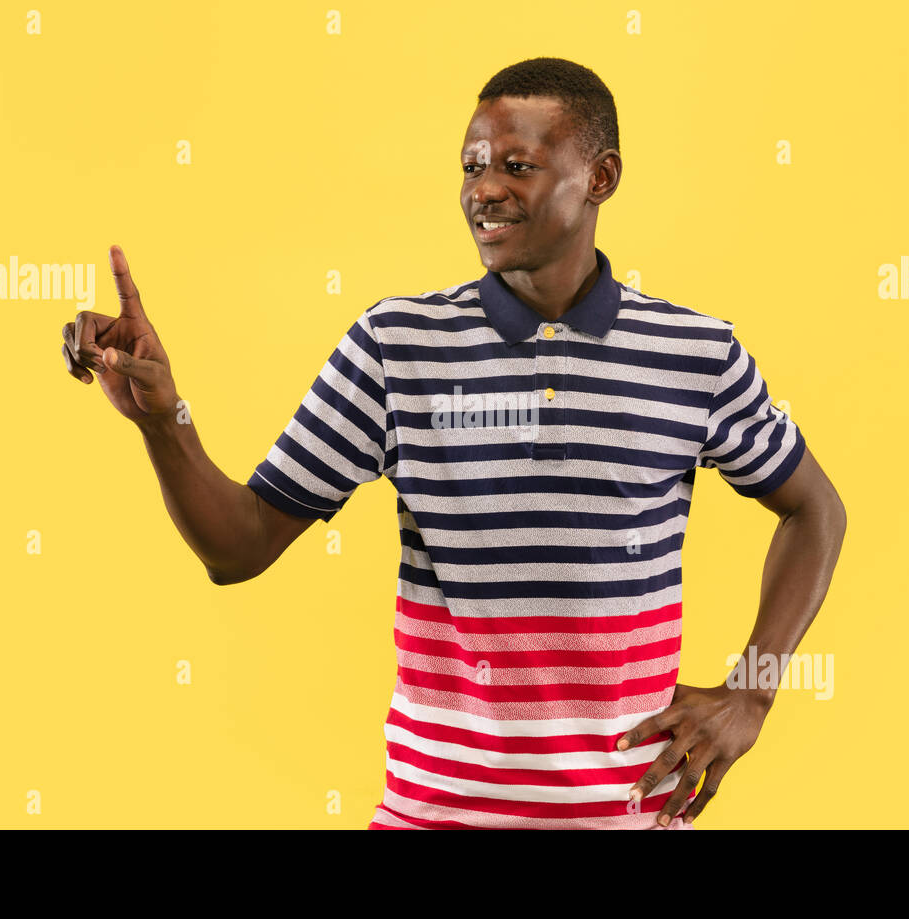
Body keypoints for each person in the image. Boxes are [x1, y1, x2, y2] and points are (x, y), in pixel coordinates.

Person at [60, 57, 847, 829]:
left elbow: (815, 509)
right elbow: (240, 546)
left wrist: (752, 690)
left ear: (600, 178)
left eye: (516, 164)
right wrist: (165, 423)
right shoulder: (395, 345)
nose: (484, 189)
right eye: (471, 166)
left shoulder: (694, 353)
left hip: (626, 818)